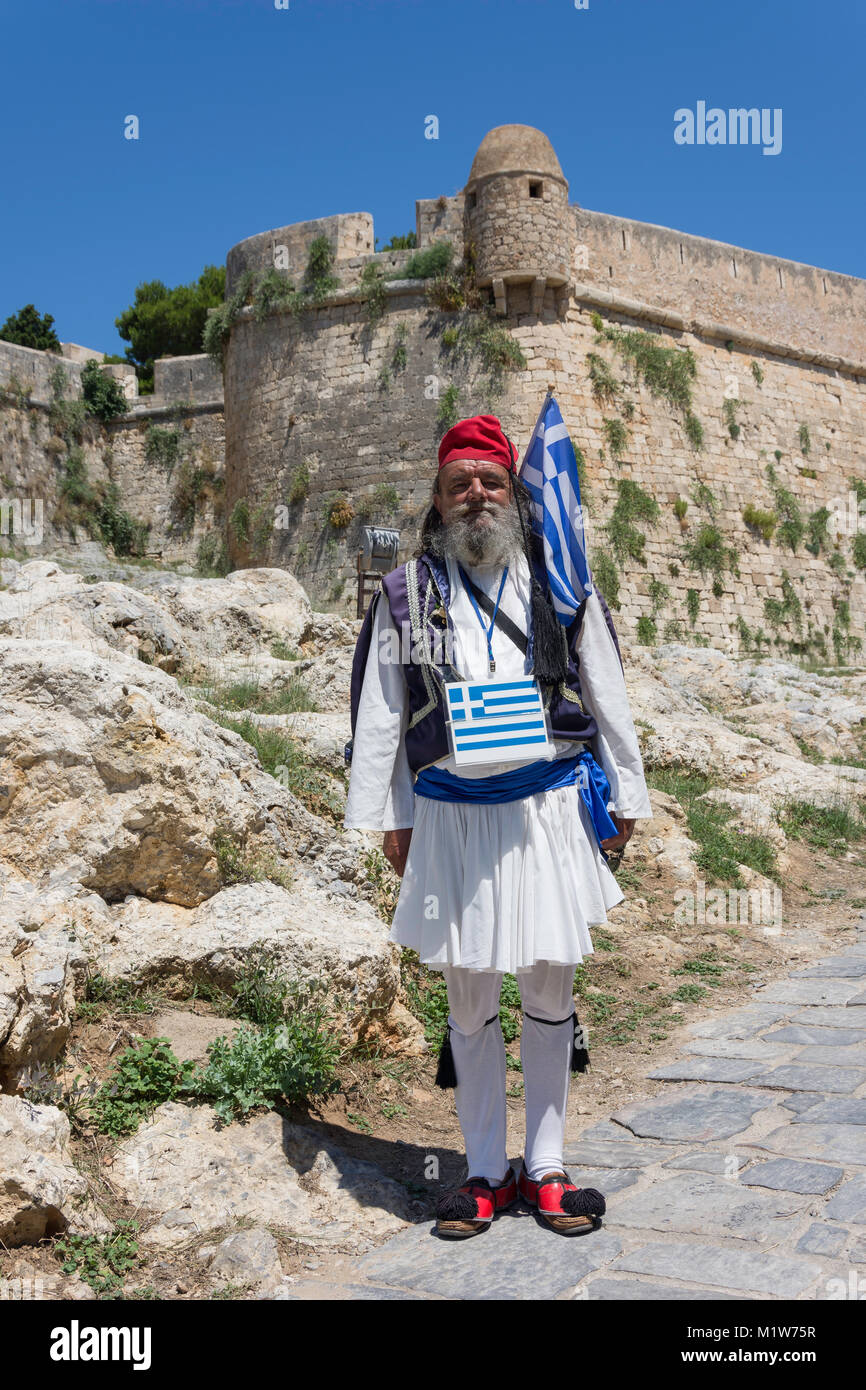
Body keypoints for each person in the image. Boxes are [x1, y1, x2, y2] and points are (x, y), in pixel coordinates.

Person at [344, 413, 652, 1238]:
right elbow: (381, 709)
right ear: (438, 502)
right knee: (469, 993)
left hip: (546, 810)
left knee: (552, 986)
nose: (475, 496)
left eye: (489, 481)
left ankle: (547, 1167)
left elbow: (605, 681)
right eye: (458, 484)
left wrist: (629, 790)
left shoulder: (558, 578)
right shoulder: (407, 592)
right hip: (451, 817)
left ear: (513, 493)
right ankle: (483, 1170)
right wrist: (386, 815)